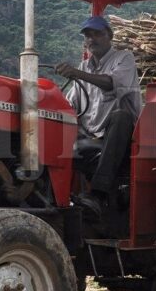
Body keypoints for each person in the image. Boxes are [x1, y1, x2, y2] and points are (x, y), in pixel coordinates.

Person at [56, 15, 142, 216]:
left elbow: (111, 83)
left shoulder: (123, 58)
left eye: (97, 34)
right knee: (60, 123)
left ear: (109, 36)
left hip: (119, 136)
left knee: (121, 116)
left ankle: (98, 193)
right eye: (87, 35)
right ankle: (56, 194)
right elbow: (71, 104)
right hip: (90, 135)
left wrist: (77, 74)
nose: (92, 39)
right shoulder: (84, 66)